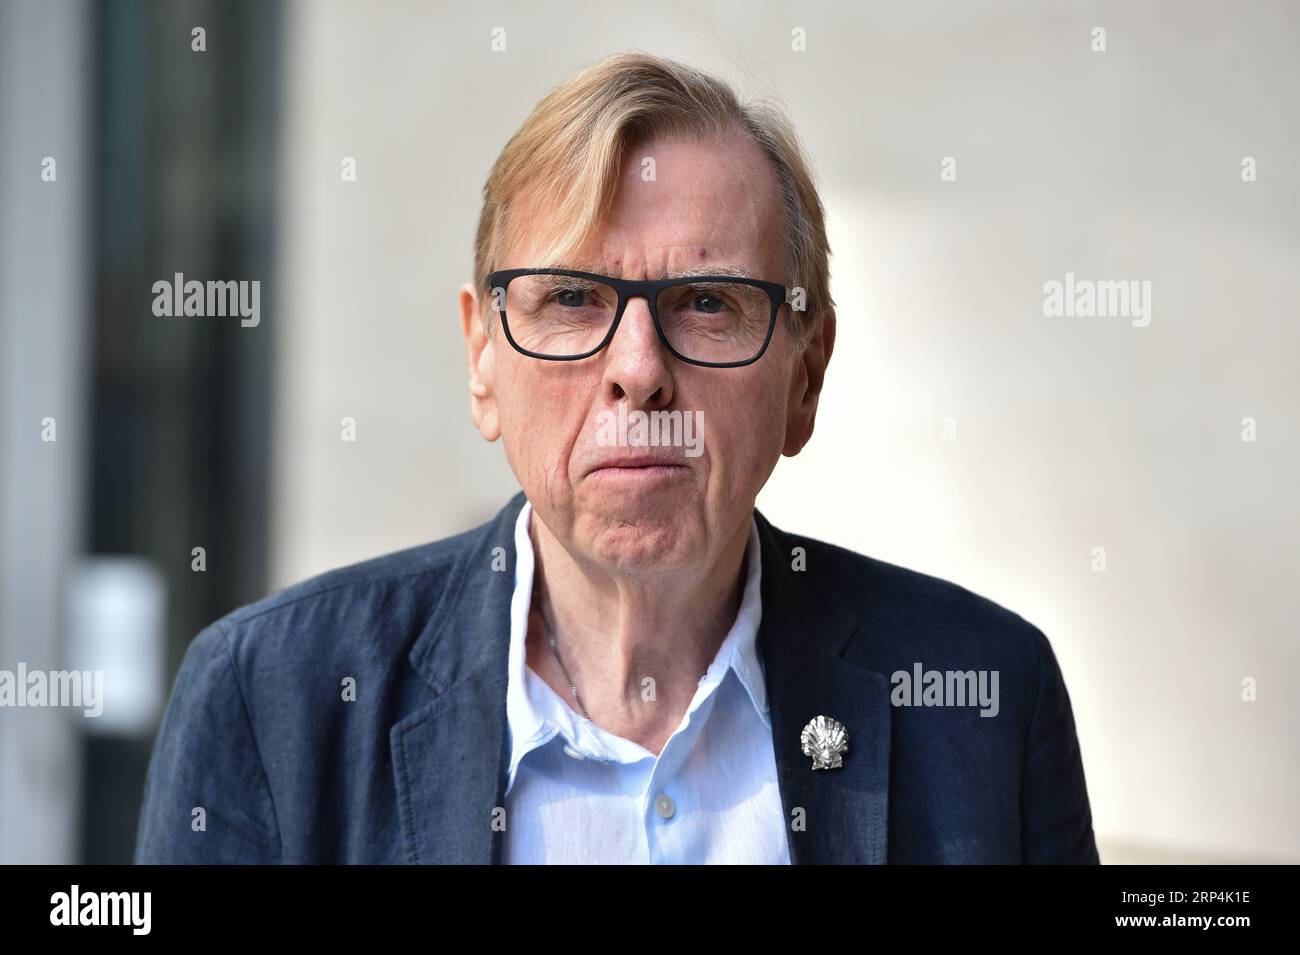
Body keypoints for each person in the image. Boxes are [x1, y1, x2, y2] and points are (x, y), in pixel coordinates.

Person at [135, 51, 1099, 864]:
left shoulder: (984, 699)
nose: (638, 372)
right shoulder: (271, 701)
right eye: (570, 301)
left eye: (709, 303)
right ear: (482, 357)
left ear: (805, 375)